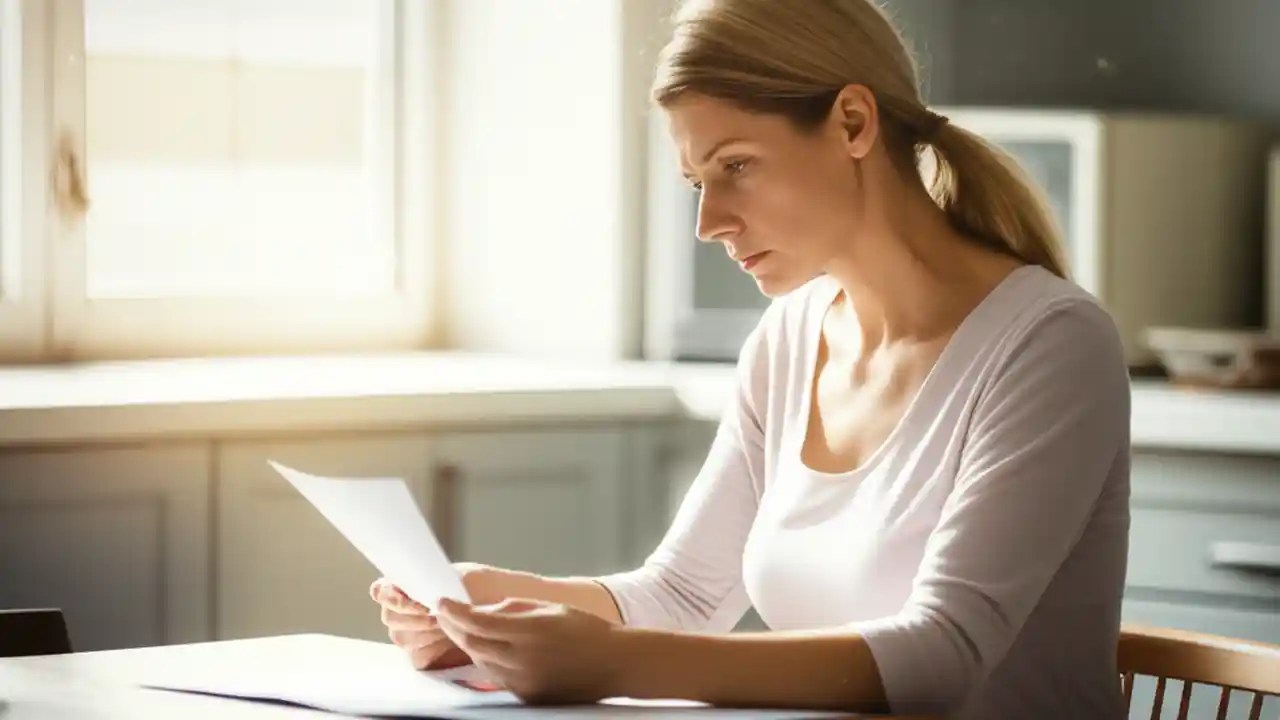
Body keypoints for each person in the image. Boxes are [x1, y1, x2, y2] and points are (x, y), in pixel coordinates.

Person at [371, 0, 1131, 716]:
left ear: (853, 123)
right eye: (699, 181)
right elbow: (683, 595)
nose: (708, 221)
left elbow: (944, 652)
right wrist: (481, 600)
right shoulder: (790, 338)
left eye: (736, 166)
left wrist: (614, 661)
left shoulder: (1050, 347)